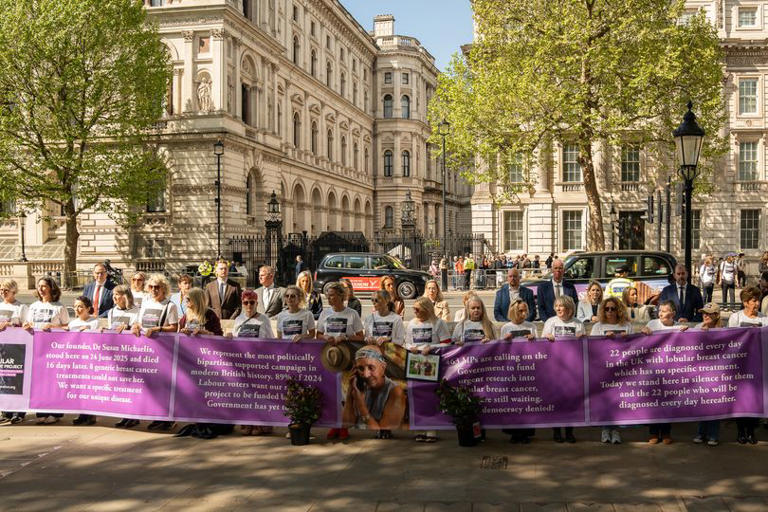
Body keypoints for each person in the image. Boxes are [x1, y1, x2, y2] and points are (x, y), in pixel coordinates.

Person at [130, 274, 179, 432]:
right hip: (146, 351)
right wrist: (136, 326)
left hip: (163, 351)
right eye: (151, 287)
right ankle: (155, 416)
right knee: (150, 385)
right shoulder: (146, 303)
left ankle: (167, 420)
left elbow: (174, 327)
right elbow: (139, 322)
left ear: (164, 288)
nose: (153, 290)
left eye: (157, 287)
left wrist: (158, 329)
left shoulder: (170, 306)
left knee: (163, 386)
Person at [317, 282, 364, 442]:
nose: (329, 298)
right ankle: (334, 425)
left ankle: (344, 426)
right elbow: (318, 334)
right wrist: (326, 337)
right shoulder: (325, 313)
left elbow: (361, 336)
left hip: (347, 357)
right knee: (332, 393)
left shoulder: (352, 314)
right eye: (327, 295)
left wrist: (346, 337)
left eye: (332, 295)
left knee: (345, 394)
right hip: (330, 358)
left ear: (341, 296)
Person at [23, 276, 69, 425]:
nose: (41, 289)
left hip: (54, 350)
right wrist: (27, 326)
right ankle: (41, 412)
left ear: (51, 288)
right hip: (37, 349)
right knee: (39, 382)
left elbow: (67, 327)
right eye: (39, 286)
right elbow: (29, 323)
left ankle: (55, 413)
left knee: (53, 383)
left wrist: (53, 327)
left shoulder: (59, 307)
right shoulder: (33, 306)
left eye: (44, 286)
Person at [641, 300, 688, 445]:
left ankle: (666, 433)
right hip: (654, 370)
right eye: (659, 310)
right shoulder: (653, 324)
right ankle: (654, 433)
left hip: (670, 372)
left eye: (664, 311)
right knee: (654, 402)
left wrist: (687, 331)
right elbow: (643, 342)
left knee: (667, 402)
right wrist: (645, 331)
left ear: (672, 313)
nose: (660, 313)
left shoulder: (678, 327)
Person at [405, 297, 450, 443]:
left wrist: (431, 347)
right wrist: (410, 347)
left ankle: (431, 430)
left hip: (432, 363)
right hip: (415, 363)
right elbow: (406, 342)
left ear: (426, 309)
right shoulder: (411, 324)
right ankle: (419, 429)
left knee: (431, 397)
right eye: (414, 309)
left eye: (417, 309)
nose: (415, 312)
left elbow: (447, 343)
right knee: (417, 396)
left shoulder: (438, 323)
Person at [590, 297, 632, 445]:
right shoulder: (598, 327)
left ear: (618, 310)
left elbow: (634, 346)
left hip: (621, 369)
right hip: (603, 369)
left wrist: (627, 339)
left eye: (613, 308)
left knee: (617, 400)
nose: (609, 311)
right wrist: (604, 339)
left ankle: (615, 430)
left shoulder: (626, 326)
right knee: (605, 400)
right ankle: (605, 429)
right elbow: (592, 347)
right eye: (606, 309)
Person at [541, 295, 583, 443]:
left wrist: (582, 337)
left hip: (572, 370)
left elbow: (584, 346)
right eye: (556, 306)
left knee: (571, 401)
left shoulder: (578, 323)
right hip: (554, 368)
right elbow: (541, 344)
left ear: (570, 308)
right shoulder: (550, 322)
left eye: (561, 306)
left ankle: (570, 432)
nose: (558, 308)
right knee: (556, 400)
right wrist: (547, 337)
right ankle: (557, 431)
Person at [342, 346, 406, 439]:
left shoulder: (395, 392)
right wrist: (350, 393)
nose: (366, 375)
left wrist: (361, 406)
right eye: (360, 368)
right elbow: (345, 425)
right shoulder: (359, 386)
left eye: (371, 368)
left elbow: (382, 435)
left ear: (383, 367)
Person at [693, 302, 722, 446]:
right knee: (703, 403)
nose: (705, 316)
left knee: (715, 403)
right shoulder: (697, 328)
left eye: (709, 313)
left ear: (716, 315)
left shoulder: (724, 330)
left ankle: (713, 435)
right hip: (701, 372)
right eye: (704, 313)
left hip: (718, 373)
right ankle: (701, 433)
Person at [0, 279, 28, 425]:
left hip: (16, 348)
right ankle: (6, 411)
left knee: (16, 380)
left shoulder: (21, 307)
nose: (3, 292)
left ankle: (19, 412)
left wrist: (10, 324)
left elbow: (26, 325)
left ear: (14, 291)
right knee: (3, 380)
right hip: (1, 349)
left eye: (6, 290)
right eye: (1, 290)